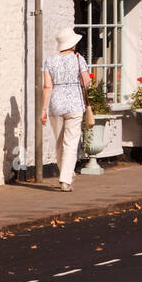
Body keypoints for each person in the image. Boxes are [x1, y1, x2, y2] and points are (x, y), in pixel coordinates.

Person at [42, 26, 91, 191]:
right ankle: (65, 179)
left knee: (59, 143)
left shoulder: (50, 61)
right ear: (73, 44)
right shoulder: (79, 59)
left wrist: (43, 109)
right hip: (75, 104)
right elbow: (86, 82)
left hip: (56, 104)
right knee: (70, 143)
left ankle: (65, 173)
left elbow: (47, 86)